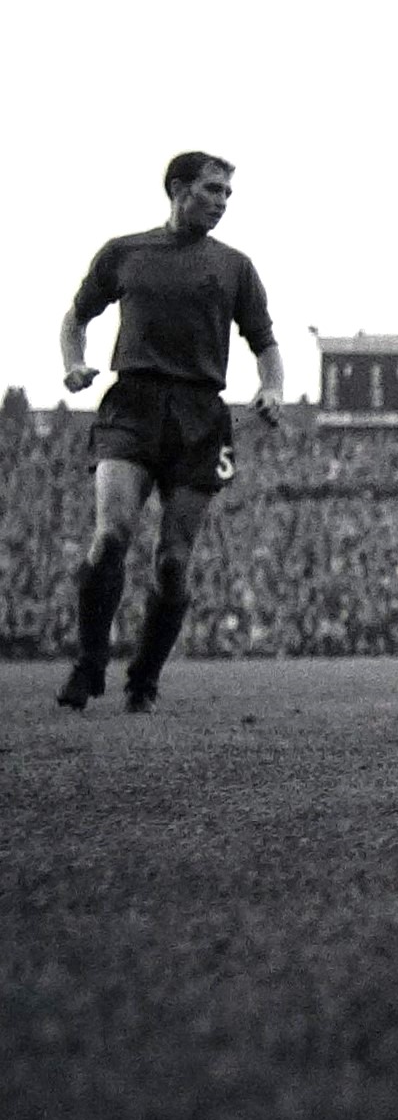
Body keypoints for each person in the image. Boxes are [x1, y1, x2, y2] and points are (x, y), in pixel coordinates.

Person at [55, 151, 282, 714]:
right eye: (212, 190)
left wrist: (272, 387)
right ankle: (89, 665)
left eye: (228, 194)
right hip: (132, 404)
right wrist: (73, 362)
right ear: (179, 189)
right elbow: (75, 317)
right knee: (111, 537)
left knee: (173, 562)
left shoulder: (235, 266)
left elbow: (265, 343)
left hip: (201, 415)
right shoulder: (125, 253)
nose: (222, 202)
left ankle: (144, 678)